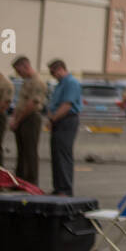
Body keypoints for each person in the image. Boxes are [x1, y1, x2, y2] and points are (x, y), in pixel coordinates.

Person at [44, 59, 82, 196]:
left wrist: (53, 119)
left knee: (63, 155)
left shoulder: (71, 83)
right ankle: (58, 187)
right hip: (57, 121)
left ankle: (65, 189)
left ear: (60, 69)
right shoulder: (60, 84)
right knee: (56, 155)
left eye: (53, 72)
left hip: (66, 120)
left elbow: (67, 105)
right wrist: (51, 117)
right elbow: (53, 103)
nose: (53, 75)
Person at [9, 56, 46, 187]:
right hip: (22, 118)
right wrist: (14, 118)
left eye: (19, 71)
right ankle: (20, 180)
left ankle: (31, 182)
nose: (18, 74)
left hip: (30, 118)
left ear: (26, 66)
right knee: (22, 151)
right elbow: (20, 102)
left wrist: (17, 120)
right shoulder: (27, 81)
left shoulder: (37, 82)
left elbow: (32, 104)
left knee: (30, 151)